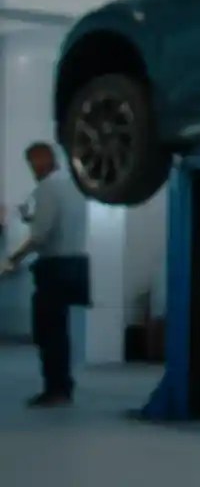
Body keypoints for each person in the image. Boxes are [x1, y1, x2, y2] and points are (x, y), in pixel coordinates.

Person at [0, 142, 90, 408]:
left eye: (32, 164)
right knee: (60, 330)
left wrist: (11, 260)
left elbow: (40, 236)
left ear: (41, 161)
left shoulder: (47, 188)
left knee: (48, 333)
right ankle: (63, 386)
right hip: (74, 264)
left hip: (54, 268)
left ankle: (55, 389)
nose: (31, 170)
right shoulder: (75, 186)